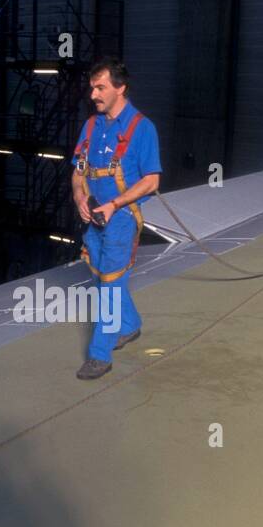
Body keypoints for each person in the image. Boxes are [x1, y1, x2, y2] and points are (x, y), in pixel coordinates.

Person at [70, 57, 162, 380]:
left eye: (101, 88)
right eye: (92, 87)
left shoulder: (142, 129)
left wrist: (115, 204)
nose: (93, 94)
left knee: (109, 284)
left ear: (120, 88)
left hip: (121, 217)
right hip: (93, 213)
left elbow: (152, 181)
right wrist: (80, 196)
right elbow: (78, 169)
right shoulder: (92, 126)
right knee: (100, 276)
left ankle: (100, 355)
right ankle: (130, 325)